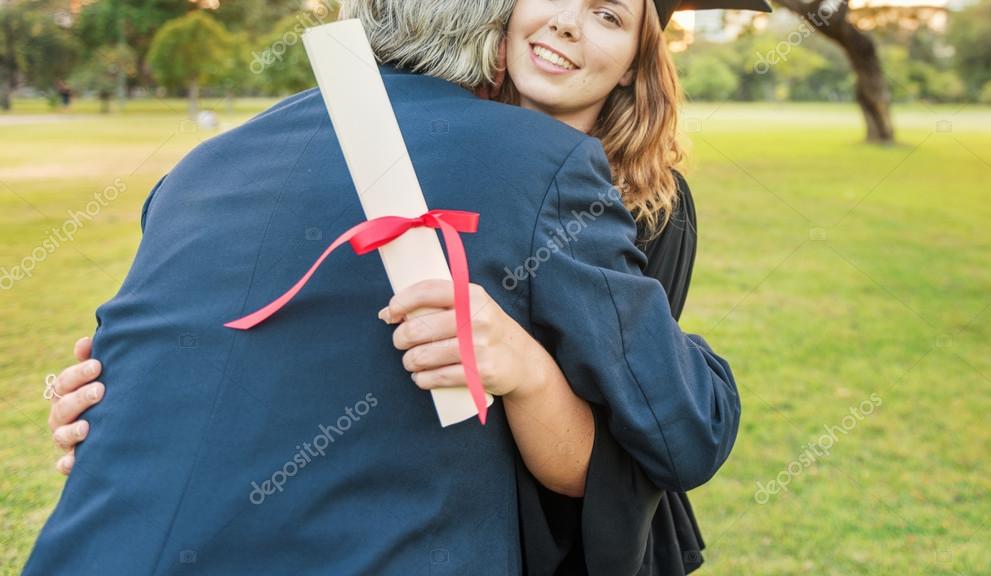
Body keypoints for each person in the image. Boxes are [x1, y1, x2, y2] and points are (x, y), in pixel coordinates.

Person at [34, 0, 765, 573]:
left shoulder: (650, 208)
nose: (570, 23)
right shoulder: (381, 144)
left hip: (565, 528)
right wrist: (129, 396)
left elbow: (641, 427)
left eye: (609, 15)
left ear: (637, 63)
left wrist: (529, 372)